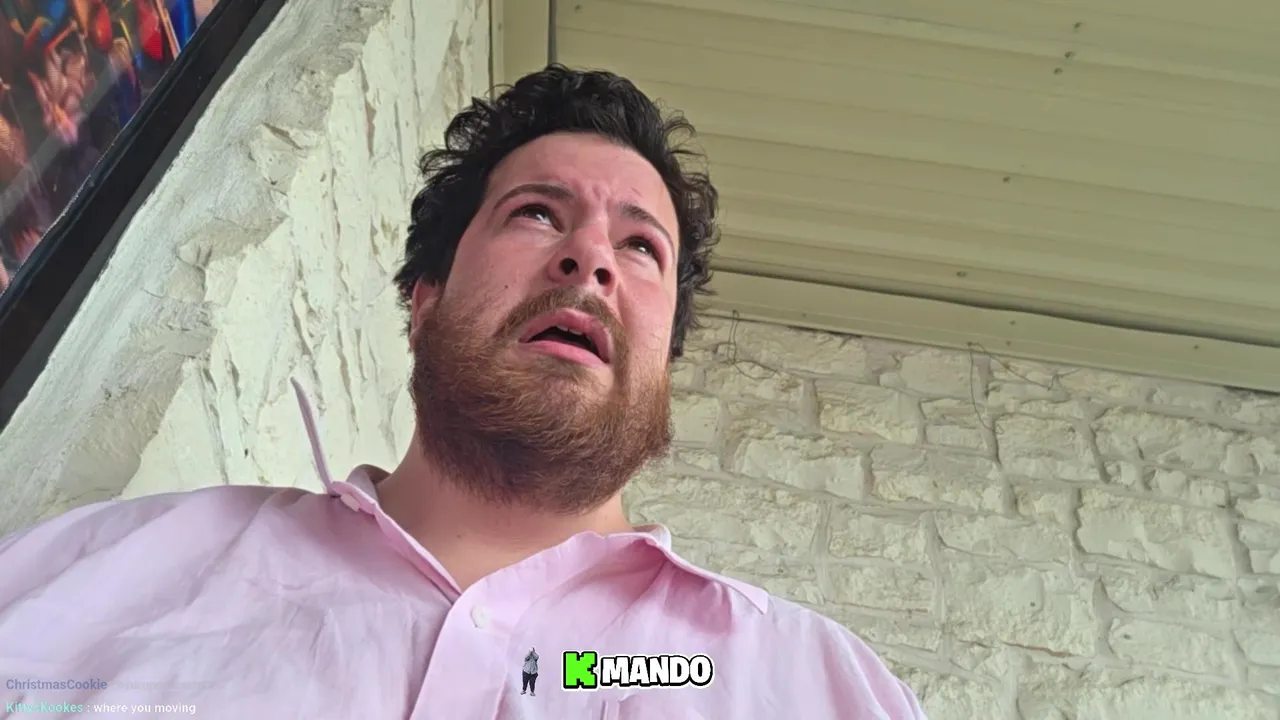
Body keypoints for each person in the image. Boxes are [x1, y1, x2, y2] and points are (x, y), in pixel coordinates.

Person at [0, 64, 927, 718]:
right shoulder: (101, 575)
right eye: (538, 213)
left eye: (641, 246)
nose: (591, 258)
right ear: (426, 299)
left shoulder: (823, 689)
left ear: (664, 361)